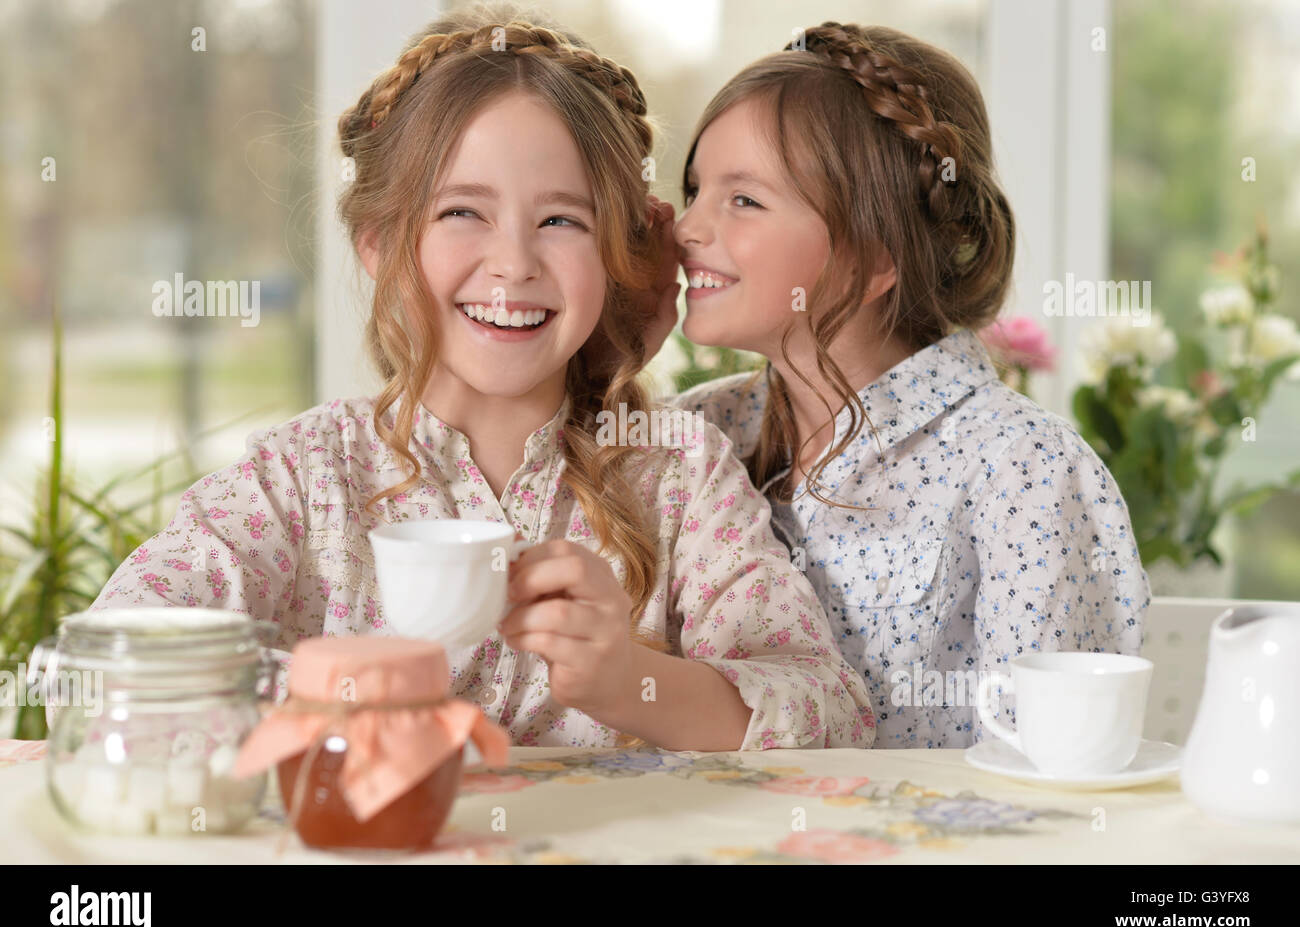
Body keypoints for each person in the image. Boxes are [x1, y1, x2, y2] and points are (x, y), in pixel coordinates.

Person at [89, 14, 876, 753]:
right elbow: (103, 669)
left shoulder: (676, 473)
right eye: (463, 212)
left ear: (614, 253)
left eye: (561, 221)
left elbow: (835, 711)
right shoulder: (306, 477)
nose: (513, 264)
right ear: (379, 242)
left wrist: (634, 683)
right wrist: (325, 699)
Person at [655, 22, 1150, 747]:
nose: (684, 227)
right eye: (696, 189)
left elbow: (1058, 772)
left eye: (743, 200)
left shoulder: (1027, 471)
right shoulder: (691, 437)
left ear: (877, 254)